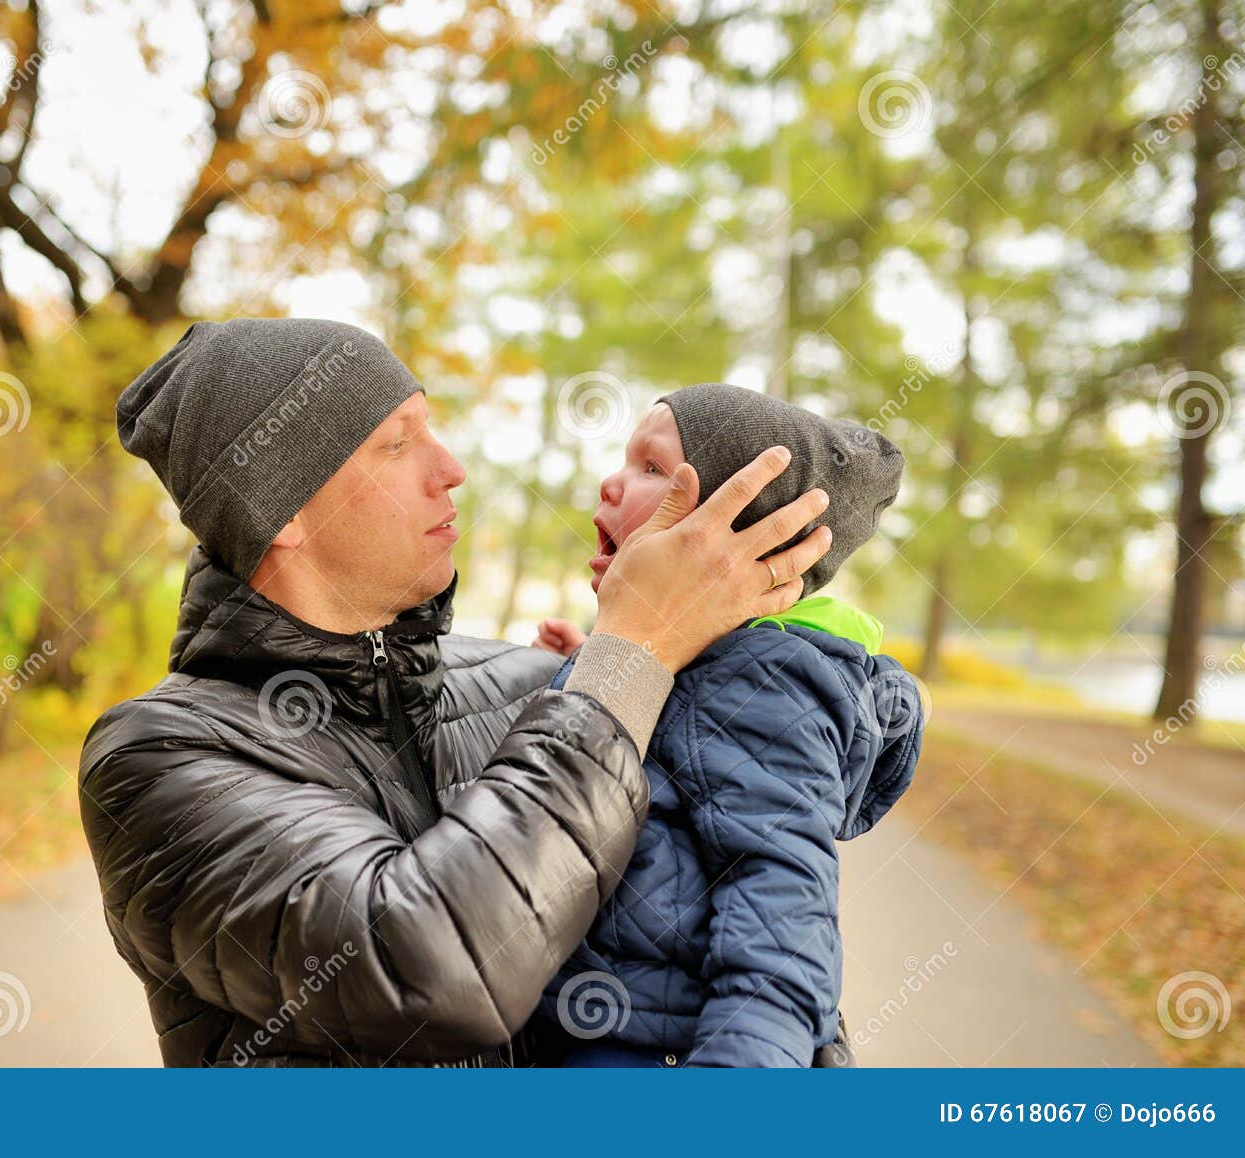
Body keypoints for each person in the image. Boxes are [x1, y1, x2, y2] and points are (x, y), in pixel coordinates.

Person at [78, 319, 832, 1066]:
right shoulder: (156, 759)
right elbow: (433, 973)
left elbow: (750, 910)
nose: (451, 468)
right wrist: (632, 651)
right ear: (285, 511)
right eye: (398, 444)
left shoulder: (534, 683)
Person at [528, 383, 925, 1067]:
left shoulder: (762, 684)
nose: (611, 481)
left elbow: (780, 903)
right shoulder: (699, 664)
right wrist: (593, 670)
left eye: (653, 468)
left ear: (735, 530)